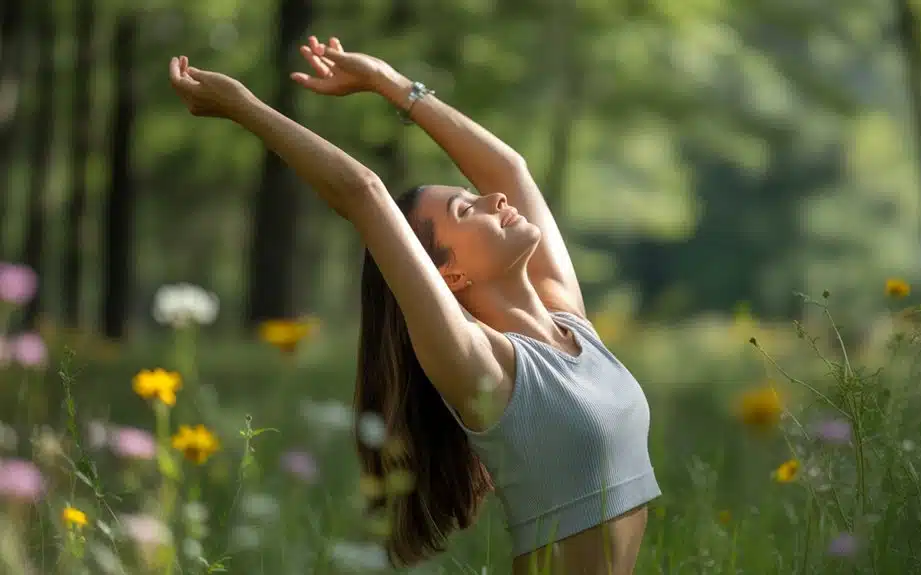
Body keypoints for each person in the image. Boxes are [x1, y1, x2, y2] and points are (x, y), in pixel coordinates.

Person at [168, 36, 660, 574]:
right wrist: (243, 107)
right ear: (447, 274)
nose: (494, 200)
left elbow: (510, 171)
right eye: (466, 208)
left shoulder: (572, 326)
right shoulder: (485, 370)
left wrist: (389, 82)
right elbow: (364, 193)